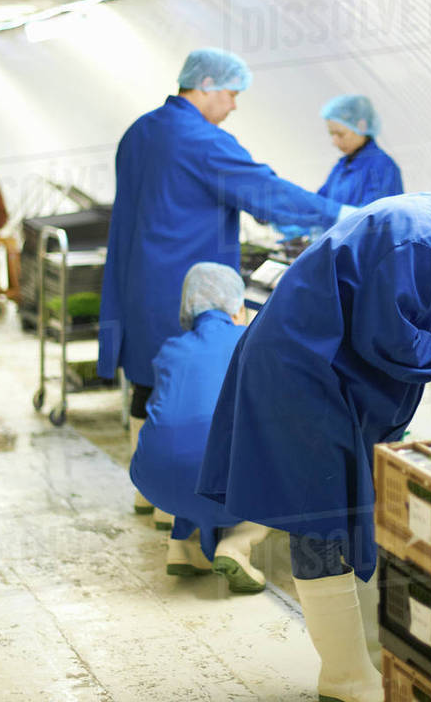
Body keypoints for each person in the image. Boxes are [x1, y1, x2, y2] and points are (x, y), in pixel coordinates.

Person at [197, 178, 431, 702]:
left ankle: (349, 667)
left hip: (307, 368)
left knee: (329, 521)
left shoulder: (427, 226)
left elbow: (390, 302)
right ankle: (344, 678)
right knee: (322, 523)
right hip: (303, 375)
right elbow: (386, 336)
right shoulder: (423, 237)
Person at [97, 47, 352, 518]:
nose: (233, 106)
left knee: (148, 382)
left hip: (138, 283)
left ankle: (146, 490)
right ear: (208, 84)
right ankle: (179, 507)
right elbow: (265, 191)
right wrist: (339, 215)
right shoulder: (202, 140)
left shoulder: (140, 131)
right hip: (191, 288)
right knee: (198, 389)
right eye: (232, 94)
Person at [128, 262, 270, 592]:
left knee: (192, 450)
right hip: (212, 479)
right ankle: (237, 545)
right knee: (276, 468)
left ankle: (185, 548)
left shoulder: (170, 350)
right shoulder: (250, 342)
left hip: (153, 480)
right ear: (238, 307)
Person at [276, 95, 403, 242]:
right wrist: (283, 216)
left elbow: (372, 221)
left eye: (340, 134)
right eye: (332, 134)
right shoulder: (342, 166)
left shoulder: (382, 167)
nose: (334, 142)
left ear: (362, 126)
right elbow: (318, 205)